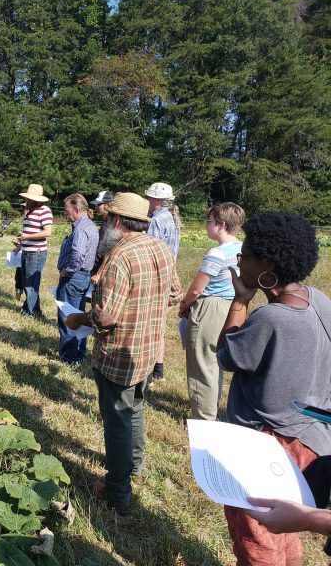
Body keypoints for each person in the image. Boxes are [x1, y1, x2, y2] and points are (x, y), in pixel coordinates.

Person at [216, 211, 331, 566]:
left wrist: (240, 301)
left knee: (256, 538)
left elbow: (225, 354)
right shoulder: (319, 299)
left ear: (267, 264)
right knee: (284, 529)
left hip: (268, 445)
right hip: (312, 439)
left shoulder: (270, 318)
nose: (240, 263)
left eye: (245, 256)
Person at [65, 192, 181, 514]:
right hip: (147, 351)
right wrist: (147, 314)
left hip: (119, 355)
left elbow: (105, 317)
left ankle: (117, 493)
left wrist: (78, 319)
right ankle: (134, 468)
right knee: (136, 408)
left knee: (117, 422)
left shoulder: (119, 257)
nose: (103, 226)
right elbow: (175, 295)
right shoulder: (159, 247)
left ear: (116, 221)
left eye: (106, 220)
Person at [179, 203, 245, 420]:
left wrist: (184, 305)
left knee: (202, 363)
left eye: (209, 222)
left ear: (221, 225)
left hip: (211, 308)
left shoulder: (217, 253)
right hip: (233, 307)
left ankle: (204, 419)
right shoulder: (242, 249)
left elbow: (197, 289)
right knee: (215, 361)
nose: (206, 226)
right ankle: (211, 410)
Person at [145, 182, 182, 386]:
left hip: (156, 277)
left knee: (150, 325)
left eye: (149, 198)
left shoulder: (156, 221)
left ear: (156, 200)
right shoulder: (172, 218)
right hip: (169, 276)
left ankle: (148, 374)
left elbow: (150, 252)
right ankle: (158, 369)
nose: (147, 201)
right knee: (159, 325)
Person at [56, 194, 98, 363]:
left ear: (76, 209)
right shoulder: (90, 226)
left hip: (74, 277)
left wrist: (66, 272)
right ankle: (79, 353)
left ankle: (69, 357)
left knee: (68, 317)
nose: (65, 213)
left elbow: (78, 255)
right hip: (82, 277)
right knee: (79, 316)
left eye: (67, 210)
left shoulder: (80, 228)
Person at [18, 184, 53, 317]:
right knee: (28, 282)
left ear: (36, 200)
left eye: (29, 199)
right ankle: (36, 309)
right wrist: (20, 244)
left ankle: (28, 311)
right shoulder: (30, 211)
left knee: (31, 284)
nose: (27, 201)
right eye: (27, 198)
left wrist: (27, 237)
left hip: (36, 253)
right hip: (26, 251)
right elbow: (29, 230)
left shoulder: (45, 211)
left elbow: (47, 232)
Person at [90, 190, 113, 277]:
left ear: (107, 205)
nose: (96, 207)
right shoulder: (107, 221)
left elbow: (105, 250)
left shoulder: (109, 224)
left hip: (99, 270)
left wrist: (96, 271)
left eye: (98, 204)